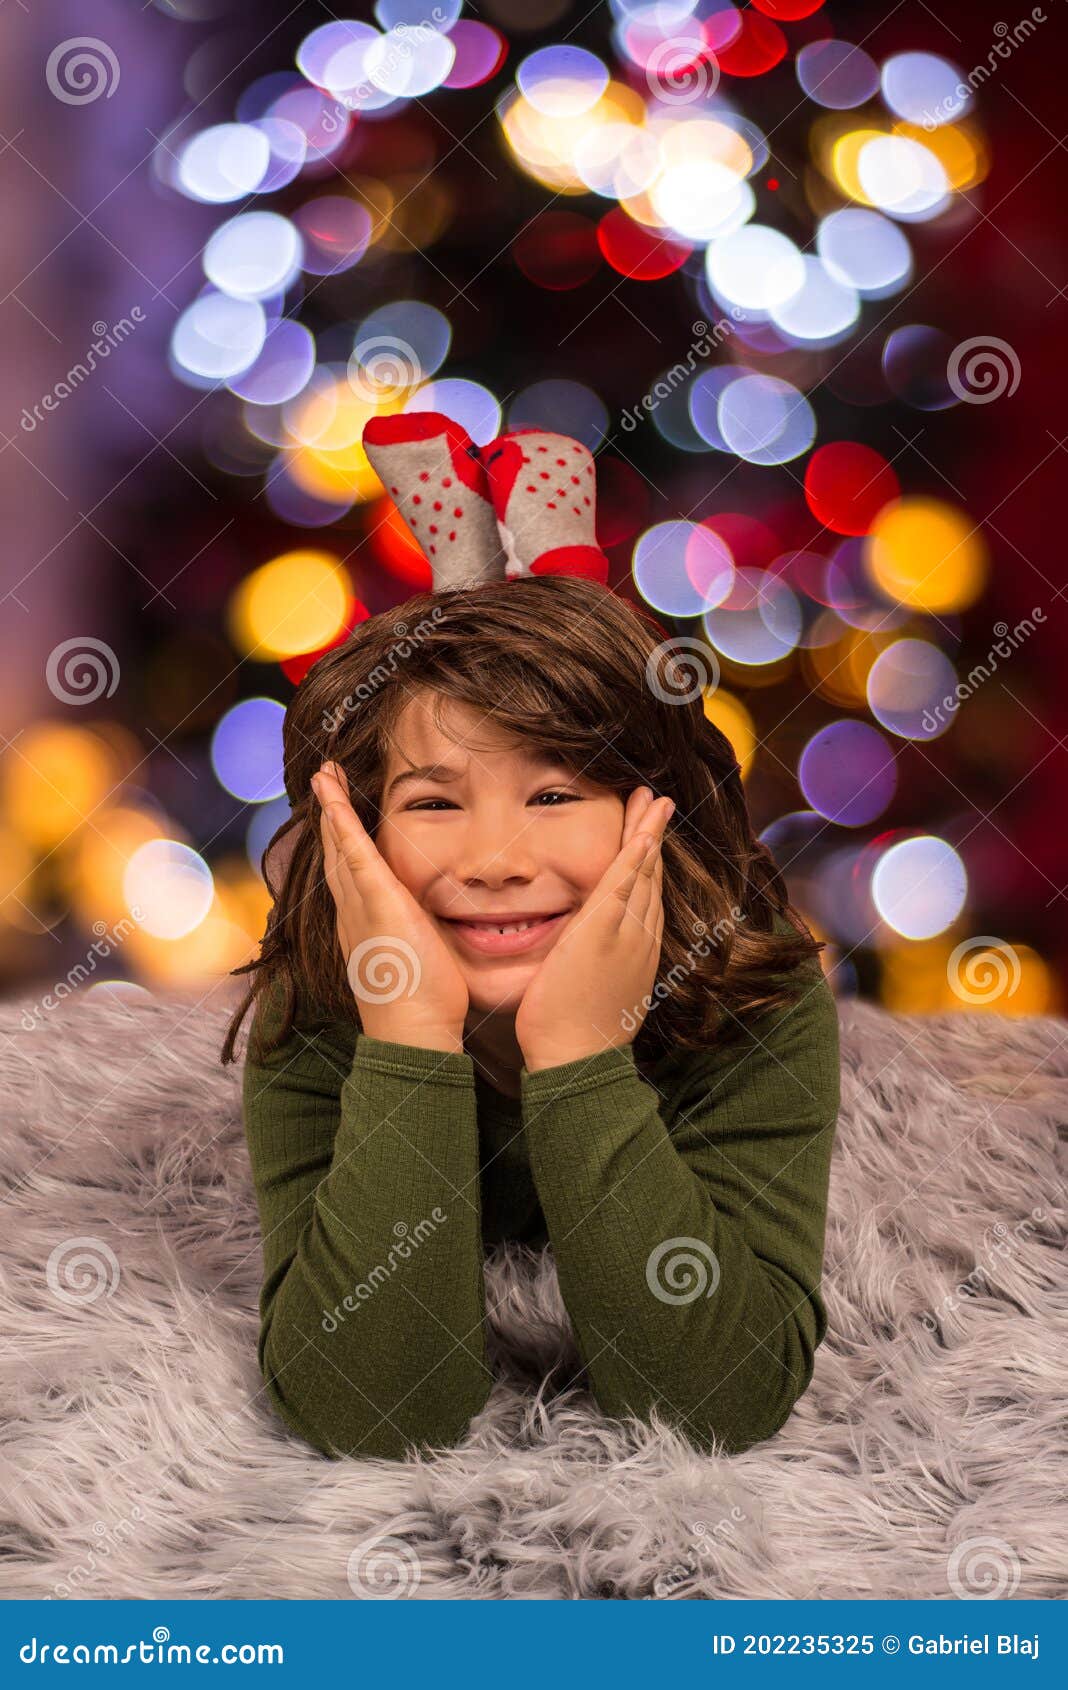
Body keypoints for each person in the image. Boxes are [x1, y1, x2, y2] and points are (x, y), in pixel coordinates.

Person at [221, 412, 841, 1463]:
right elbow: (376, 1411)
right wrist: (410, 1038)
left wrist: (582, 1060)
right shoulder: (322, 990)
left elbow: (722, 1402)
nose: (498, 858)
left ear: (658, 809)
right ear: (354, 826)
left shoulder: (754, 984)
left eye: (556, 791)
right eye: (432, 803)